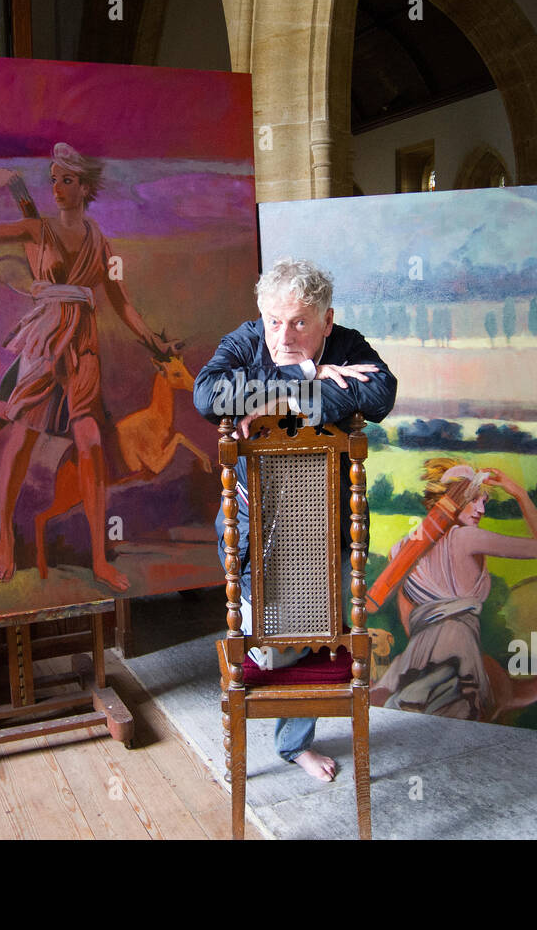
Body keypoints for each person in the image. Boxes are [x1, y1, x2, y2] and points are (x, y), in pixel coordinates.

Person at [194, 257, 397, 781]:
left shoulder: (348, 343)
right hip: (251, 514)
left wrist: (272, 395)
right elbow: (207, 394)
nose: (284, 334)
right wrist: (309, 374)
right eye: (275, 321)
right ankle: (273, 721)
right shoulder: (244, 340)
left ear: (326, 320)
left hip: (327, 513)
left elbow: (378, 394)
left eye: (300, 323)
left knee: (319, 624)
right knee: (271, 635)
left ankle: (295, 744)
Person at [0, 143, 173, 592]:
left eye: (66, 180)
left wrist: (149, 339)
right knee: (21, 436)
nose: (57, 188)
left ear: (84, 187)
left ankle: (100, 558)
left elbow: (119, 300)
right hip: (44, 340)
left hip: (83, 343)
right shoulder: (34, 228)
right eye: (53, 180)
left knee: (91, 442)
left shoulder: (99, 240)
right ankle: (5, 538)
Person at [370, 458, 537, 722]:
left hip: (417, 653)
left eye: (484, 501)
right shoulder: (465, 538)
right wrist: (519, 494)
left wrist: (429, 644)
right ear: (450, 500)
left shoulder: (402, 549)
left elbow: (407, 614)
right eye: (473, 499)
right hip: (458, 650)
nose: (480, 509)